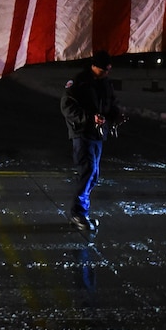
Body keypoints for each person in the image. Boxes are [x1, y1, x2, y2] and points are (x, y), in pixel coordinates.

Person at [60, 50, 124, 231]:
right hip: (82, 133)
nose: (106, 73)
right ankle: (78, 213)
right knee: (87, 171)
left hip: (97, 134)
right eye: (104, 70)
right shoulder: (79, 82)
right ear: (94, 66)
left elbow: (111, 103)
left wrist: (115, 115)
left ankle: (82, 212)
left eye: (108, 70)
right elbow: (67, 107)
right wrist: (89, 118)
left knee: (93, 174)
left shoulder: (105, 83)